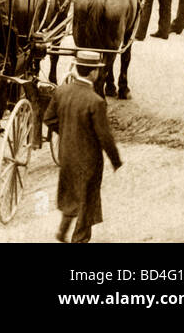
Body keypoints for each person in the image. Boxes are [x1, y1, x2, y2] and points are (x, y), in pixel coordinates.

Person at [42, 50, 122, 243]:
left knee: (70, 191)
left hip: (66, 154)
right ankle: (80, 239)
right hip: (88, 160)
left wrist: (68, 132)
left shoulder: (61, 91)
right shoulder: (96, 101)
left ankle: (62, 231)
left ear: (77, 68)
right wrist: (115, 160)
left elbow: (48, 118)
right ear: (94, 72)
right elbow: (105, 137)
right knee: (87, 200)